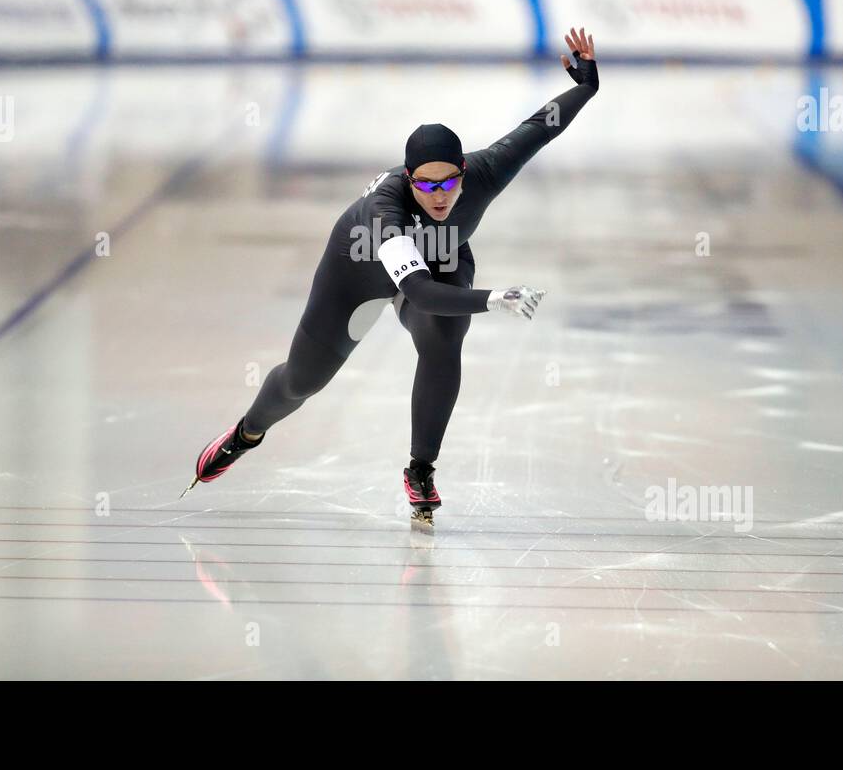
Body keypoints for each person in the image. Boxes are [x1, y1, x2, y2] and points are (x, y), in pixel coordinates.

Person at [188, 28, 600, 527]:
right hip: (358, 270)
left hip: (443, 257)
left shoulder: (487, 170)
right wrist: (495, 298)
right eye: (427, 184)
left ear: (465, 172)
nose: (441, 193)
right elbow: (418, 291)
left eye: (450, 180)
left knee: (446, 338)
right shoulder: (386, 210)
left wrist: (585, 85)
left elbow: (541, 126)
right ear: (408, 180)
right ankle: (247, 432)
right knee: (303, 381)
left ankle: (420, 470)